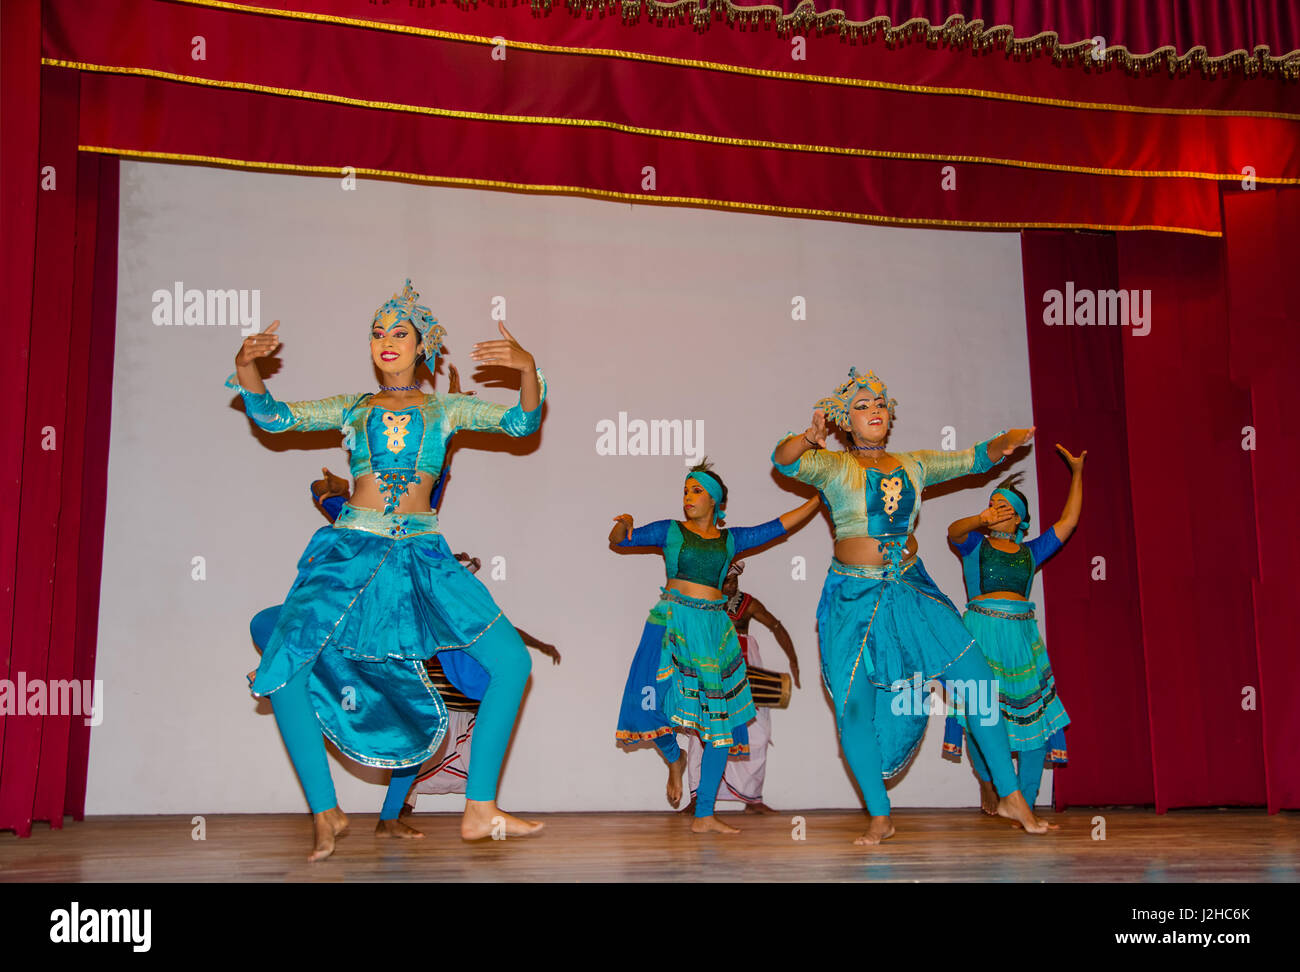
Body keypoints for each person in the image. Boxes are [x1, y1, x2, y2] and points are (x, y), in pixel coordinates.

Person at [228, 279, 546, 860]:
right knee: (285, 663)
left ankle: (480, 808)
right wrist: (248, 371)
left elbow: (521, 424)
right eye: (377, 333)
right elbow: (275, 419)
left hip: (424, 559)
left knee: (512, 661)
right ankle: (326, 811)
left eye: (399, 332)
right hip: (352, 550)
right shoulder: (352, 408)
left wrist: (528, 372)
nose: (386, 341)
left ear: (423, 345)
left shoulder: (446, 409)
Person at [772, 368, 1053, 844]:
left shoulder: (914, 463)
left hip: (910, 591)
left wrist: (1002, 442)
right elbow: (783, 461)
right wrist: (807, 437)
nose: (874, 409)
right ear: (844, 421)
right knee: (854, 709)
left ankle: (1009, 793)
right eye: (862, 405)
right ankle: (880, 815)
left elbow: (969, 460)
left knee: (980, 682)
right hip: (852, 600)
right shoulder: (833, 466)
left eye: (880, 402)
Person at [610, 462, 820, 834]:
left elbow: (778, 526)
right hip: (670, 623)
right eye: (685, 491)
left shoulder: (731, 540)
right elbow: (620, 540)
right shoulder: (670, 531)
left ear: (715, 501)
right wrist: (624, 523)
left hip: (713, 633)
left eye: (696, 491)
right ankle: (675, 760)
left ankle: (704, 813)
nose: (687, 497)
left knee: (718, 723)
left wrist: (820, 497)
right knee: (648, 704)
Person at [941, 450, 1084, 812]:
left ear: (1019, 518)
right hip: (981, 634)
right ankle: (989, 784)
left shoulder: (1030, 552)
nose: (995, 511)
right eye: (992, 505)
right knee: (978, 717)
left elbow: (1067, 522)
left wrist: (1077, 473)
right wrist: (978, 518)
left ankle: (1025, 799)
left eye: (1003, 507)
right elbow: (953, 531)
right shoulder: (976, 545)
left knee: (1035, 719)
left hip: (1021, 640)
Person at [683, 560, 801, 814]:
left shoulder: (748, 604)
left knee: (756, 733)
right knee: (702, 735)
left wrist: (793, 659)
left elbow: (775, 626)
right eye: (726, 581)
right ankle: (698, 798)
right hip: (711, 671)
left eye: (734, 580)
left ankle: (752, 799)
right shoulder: (703, 604)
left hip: (746, 671)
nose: (731, 585)